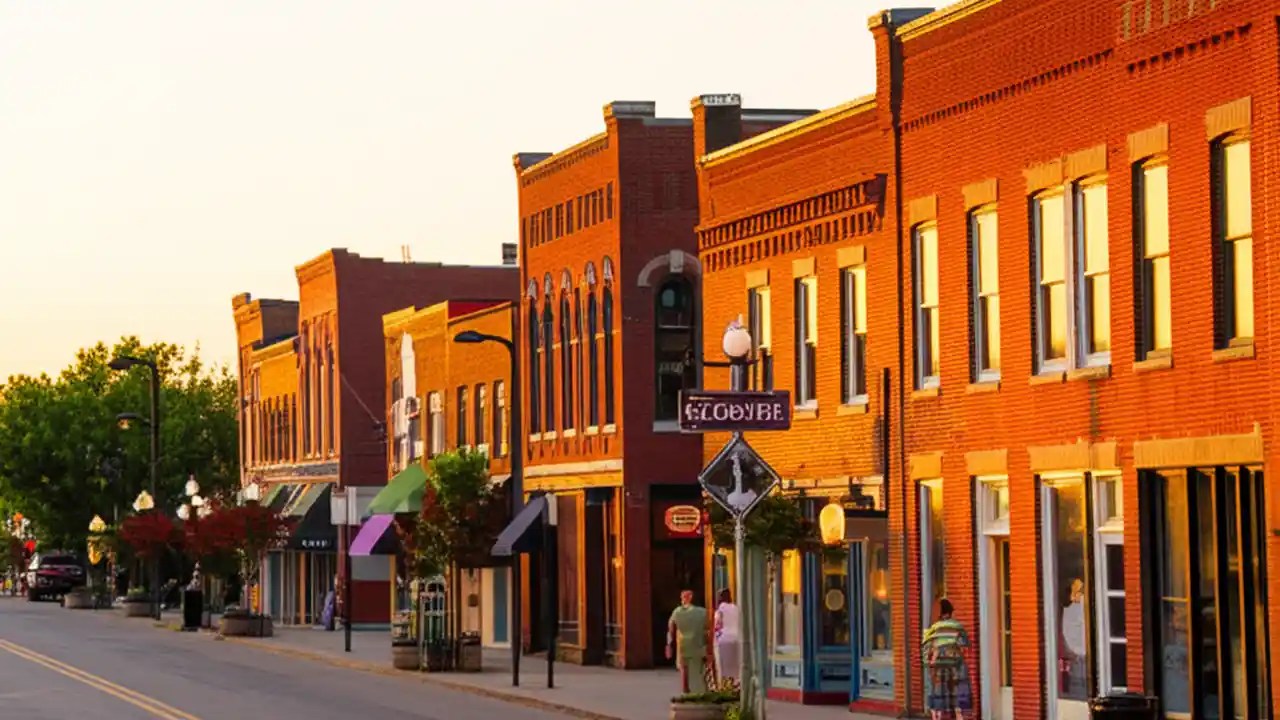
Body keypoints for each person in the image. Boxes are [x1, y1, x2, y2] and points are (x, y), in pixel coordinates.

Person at [921, 598, 972, 720]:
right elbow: (965, 645)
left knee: (938, 694)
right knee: (958, 695)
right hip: (956, 663)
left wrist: (929, 663)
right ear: (950, 612)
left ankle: (936, 716)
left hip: (939, 664)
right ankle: (959, 716)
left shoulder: (933, 628)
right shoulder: (958, 626)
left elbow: (926, 648)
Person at [666, 589, 709, 693]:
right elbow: (708, 629)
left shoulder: (677, 612)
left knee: (684, 668)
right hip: (699, 643)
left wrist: (669, 644)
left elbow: (671, 629)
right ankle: (703, 690)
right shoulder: (703, 612)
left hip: (683, 643)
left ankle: (686, 689)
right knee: (700, 668)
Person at [714, 588, 740, 684]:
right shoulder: (736, 608)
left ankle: (724, 686)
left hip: (723, 639)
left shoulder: (720, 608)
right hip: (736, 638)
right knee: (735, 666)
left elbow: (717, 625)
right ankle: (735, 685)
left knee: (723, 667)